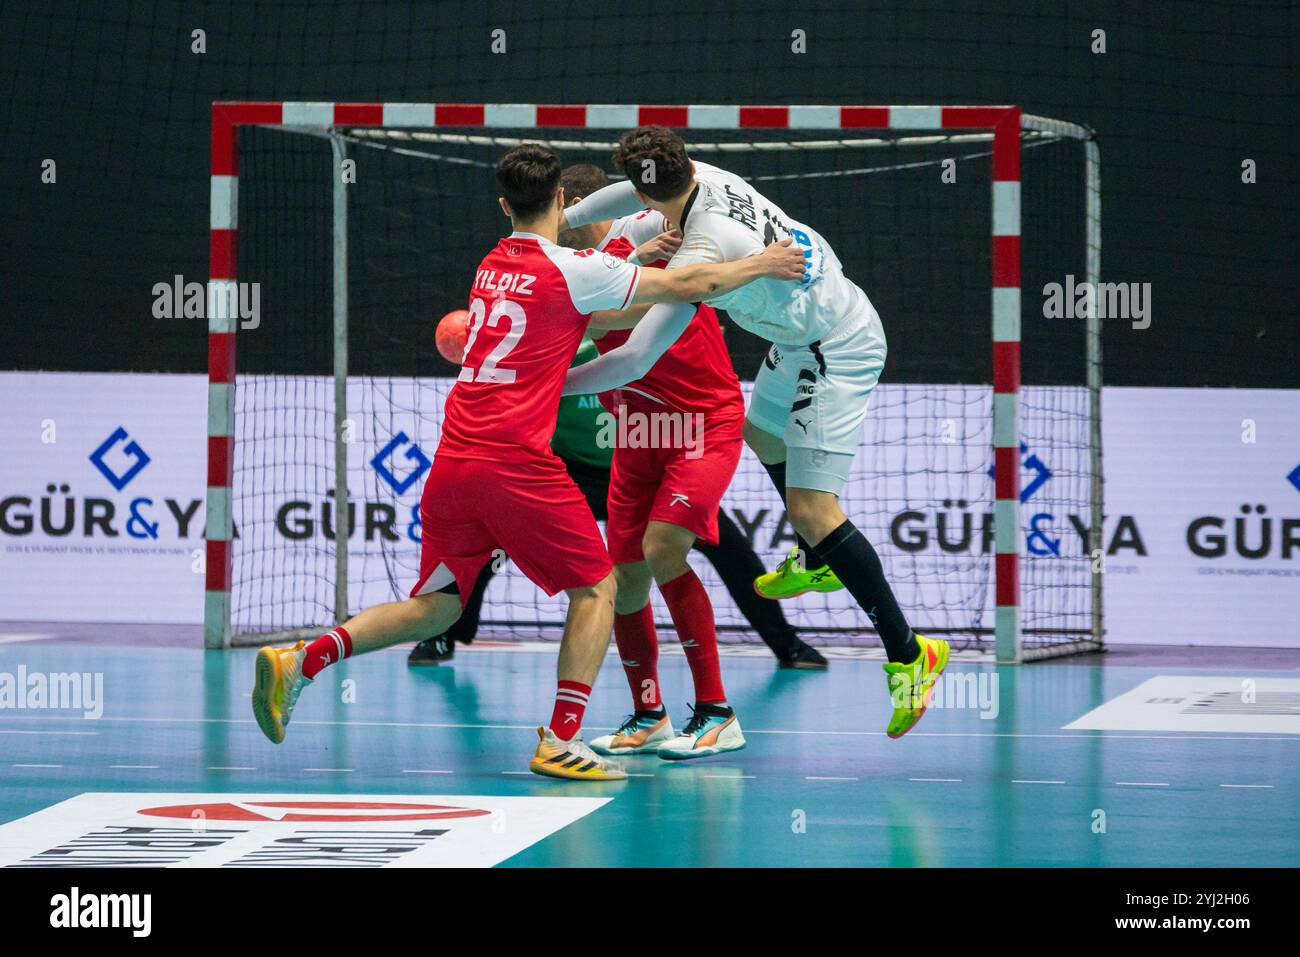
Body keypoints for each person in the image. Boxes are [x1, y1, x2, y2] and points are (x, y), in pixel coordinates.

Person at [249, 143, 807, 780]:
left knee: (438, 605)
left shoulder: (491, 265)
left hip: (454, 459)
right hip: (514, 462)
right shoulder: (572, 266)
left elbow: (584, 315)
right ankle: (561, 738)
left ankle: (304, 660)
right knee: (598, 588)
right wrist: (764, 259)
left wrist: (630, 264)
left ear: (502, 204)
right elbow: (693, 284)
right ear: (564, 202)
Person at [560, 127, 950, 738]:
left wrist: (544, 384)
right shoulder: (700, 177)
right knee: (764, 435)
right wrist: (572, 215)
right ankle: (816, 555)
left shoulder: (701, 254)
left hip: (836, 345)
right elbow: (616, 199)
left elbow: (634, 359)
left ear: (645, 192)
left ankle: (909, 654)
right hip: (797, 338)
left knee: (815, 507)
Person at [407, 333, 826, 672]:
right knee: (496, 541)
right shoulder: (560, 354)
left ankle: (785, 643)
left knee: (726, 545)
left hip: (645, 470)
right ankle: (444, 633)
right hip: (576, 474)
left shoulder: (647, 347)